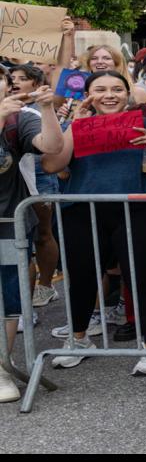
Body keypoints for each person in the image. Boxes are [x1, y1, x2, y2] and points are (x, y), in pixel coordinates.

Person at [39, 71, 146, 375]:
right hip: (83, 211)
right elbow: (53, 165)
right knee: (81, 278)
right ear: (88, 94)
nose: (109, 95)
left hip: (137, 209)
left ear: (128, 93)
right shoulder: (74, 126)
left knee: (141, 277)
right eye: (101, 89)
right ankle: (79, 341)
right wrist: (75, 126)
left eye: (117, 89)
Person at [0, 84, 66, 403]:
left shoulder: (19, 118)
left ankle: (2, 367)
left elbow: (52, 146)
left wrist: (48, 109)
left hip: (10, 221)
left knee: (9, 297)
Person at [6, 65, 63, 309]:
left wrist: (48, 107)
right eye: (13, 77)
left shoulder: (26, 116)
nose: (17, 82)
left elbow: (50, 146)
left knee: (28, 243)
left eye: (21, 79)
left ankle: (28, 302)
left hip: (26, 188)